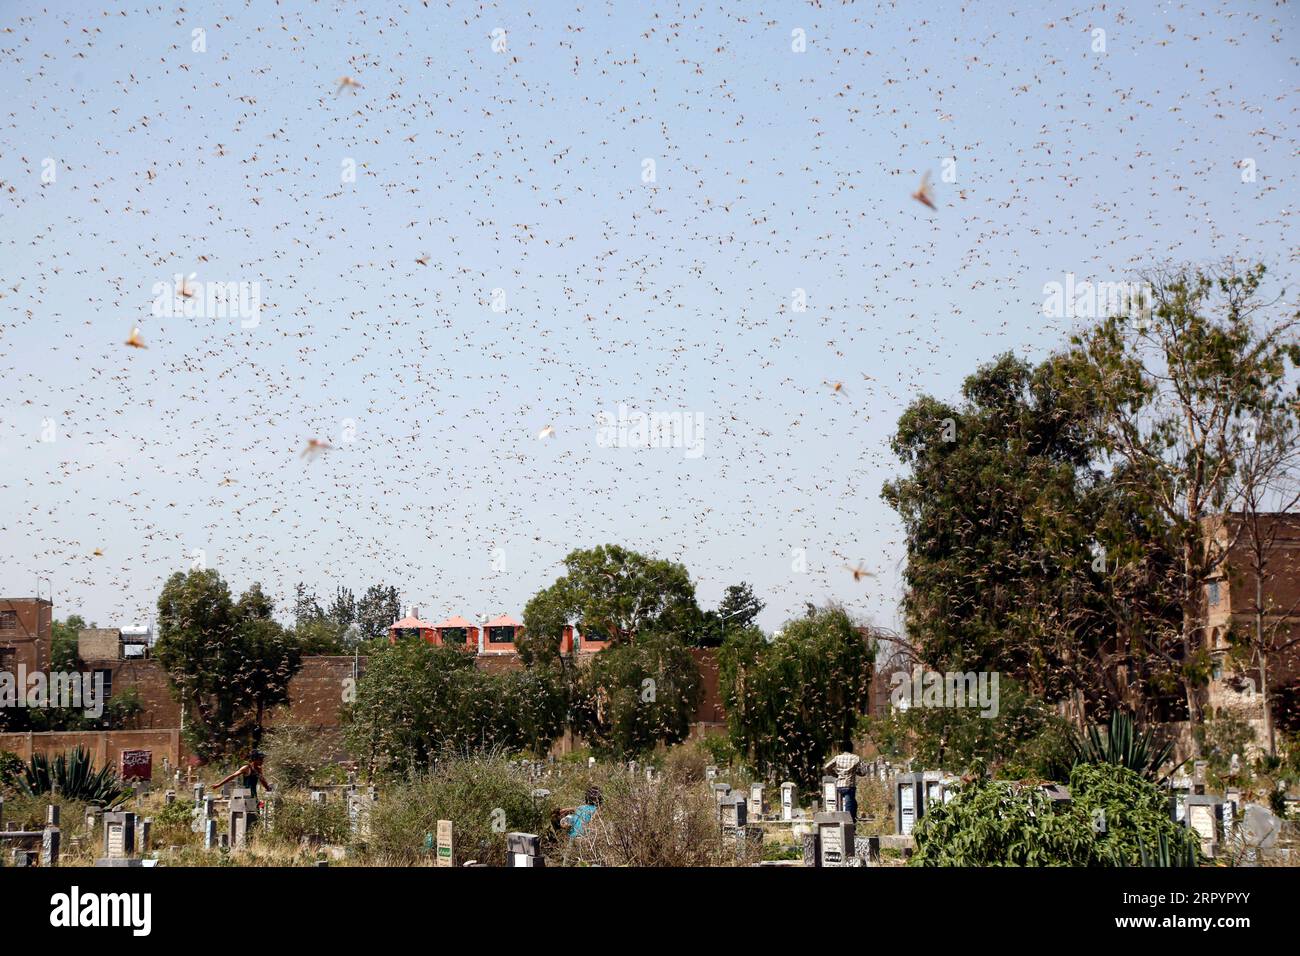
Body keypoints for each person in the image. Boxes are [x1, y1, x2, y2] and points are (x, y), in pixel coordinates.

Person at [824, 751, 865, 823]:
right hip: (849, 785)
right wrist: (856, 772)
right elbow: (863, 772)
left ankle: (852, 820)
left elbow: (827, 767)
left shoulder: (837, 758)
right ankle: (848, 824)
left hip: (839, 785)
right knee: (849, 806)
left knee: (853, 803)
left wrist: (835, 775)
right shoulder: (855, 758)